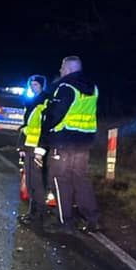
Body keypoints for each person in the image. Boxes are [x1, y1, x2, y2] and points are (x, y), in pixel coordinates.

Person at [39, 55, 101, 230]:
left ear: (68, 69)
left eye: (62, 68)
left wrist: (45, 132)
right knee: (81, 179)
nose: (60, 71)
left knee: (60, 180)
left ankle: (65, 221)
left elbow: (56, 115)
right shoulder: (92, 88)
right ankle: (92, 219)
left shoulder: (66, 87)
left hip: (64, 143)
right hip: (84, 143)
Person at [18, 74, 50, 223]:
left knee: (37, 182)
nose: (32, 87)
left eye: (36, 84)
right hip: (30, 145)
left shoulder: (44, 102)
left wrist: (41, 149)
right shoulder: (32, 102)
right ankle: (33, 213)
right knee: (31, 182)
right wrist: (22, 145)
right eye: (31, 84)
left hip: (37, 147)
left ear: (42, 86)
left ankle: (39, 214)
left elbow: (44, 128)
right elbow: (27, 126)